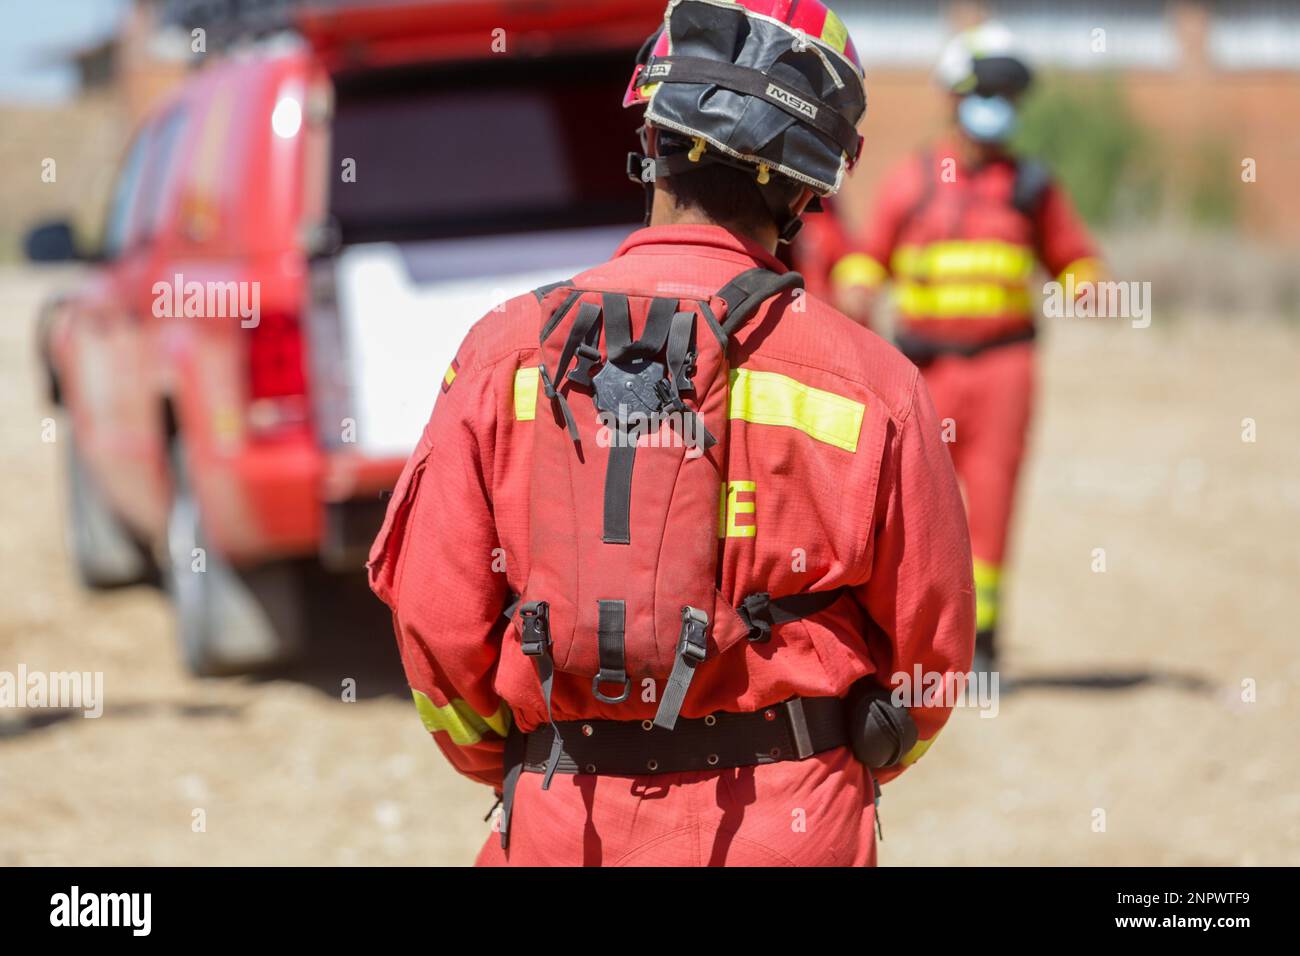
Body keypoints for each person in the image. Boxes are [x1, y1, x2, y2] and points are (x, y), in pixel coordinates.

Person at [368, 0, 973, 867]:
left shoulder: (504, 351)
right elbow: (931, 656)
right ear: (808, 185)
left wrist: (523, 763)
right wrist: (838, 757)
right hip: (795, 824)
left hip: (566, 824)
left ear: (650, 136)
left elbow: (435, 620)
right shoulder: (879, 385)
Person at [833, 21, 1103, 672]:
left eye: (1008, 98)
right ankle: (900, 641)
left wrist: (1088, 284)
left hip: (1006, 368)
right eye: (986, 93)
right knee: (907, 507)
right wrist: (857, 290)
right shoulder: (913, 180)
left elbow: (1075, 258)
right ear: (953, 98)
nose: (997, 110)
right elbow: (869, 259)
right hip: (924, 372)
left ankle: (980, 648)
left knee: (991, 506)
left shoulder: (1032, 187)